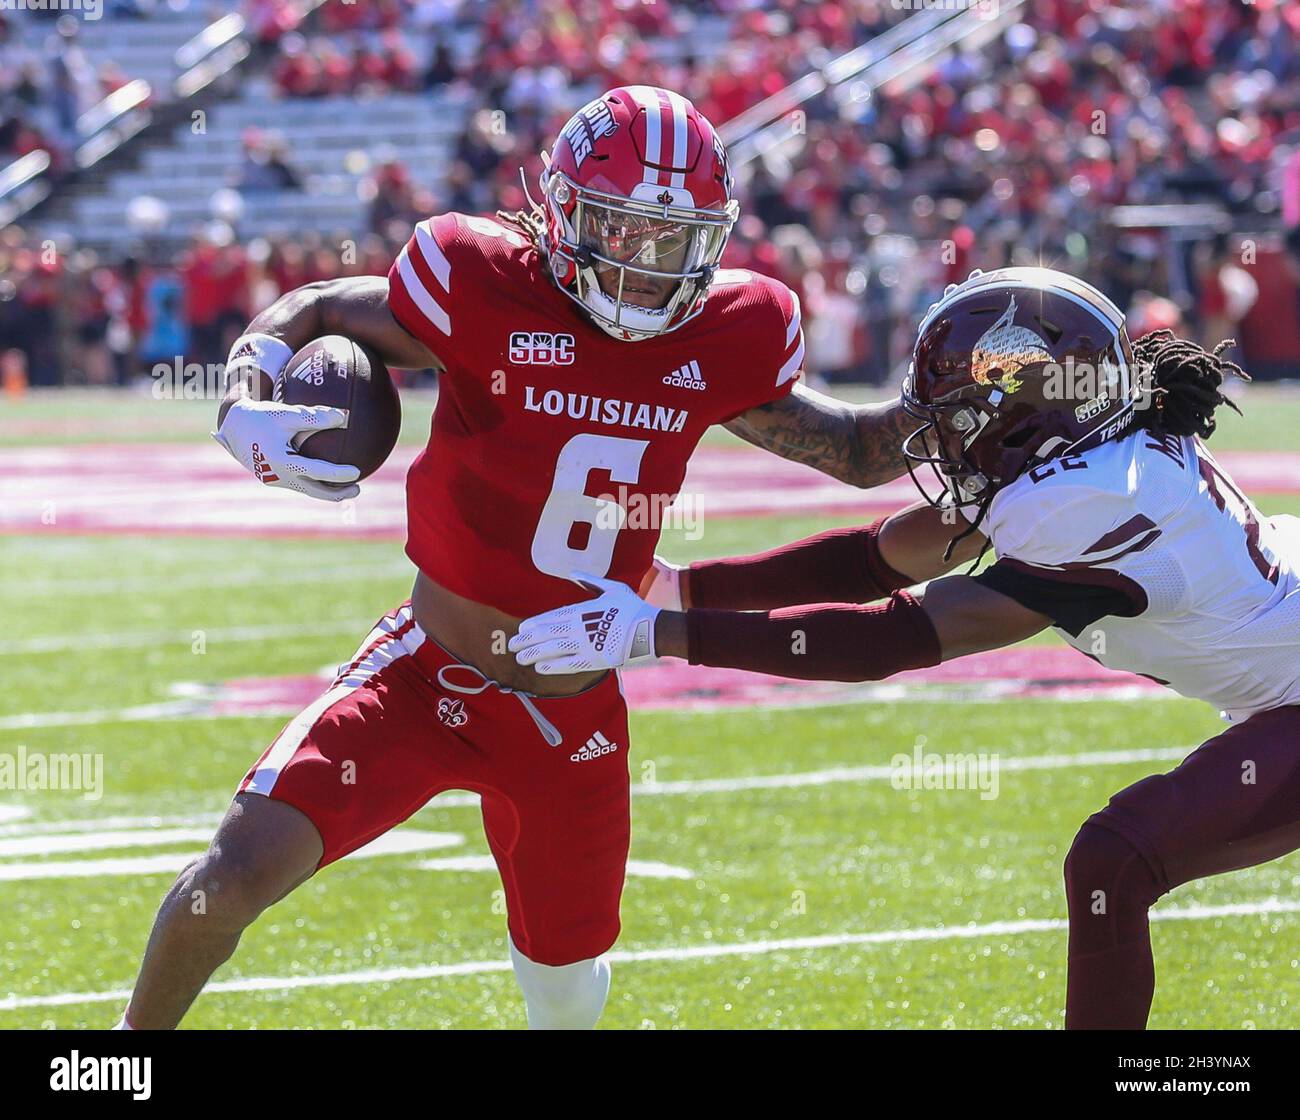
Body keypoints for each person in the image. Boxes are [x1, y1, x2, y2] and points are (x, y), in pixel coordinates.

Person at [116, 86, 918, 1031]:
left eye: (671, 244)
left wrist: (985, 404)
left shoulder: (726, 334)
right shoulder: (482, 279)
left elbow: (862, 452)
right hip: (421, 674)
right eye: (620, 233)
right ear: (565, 213)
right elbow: (325, 304)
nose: (644, 268)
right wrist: (244, 389)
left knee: (566, 978)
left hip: (570, 710)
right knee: (236, 870)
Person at [511, 266, 1300, 1030]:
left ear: (1026, 413)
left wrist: (658, 636)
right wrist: (681, 589)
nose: (937, 439)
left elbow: (893, 637)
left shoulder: (1092, 501)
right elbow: (873, 559)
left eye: (956, 417)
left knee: (1114, 862)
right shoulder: (1091, 452)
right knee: (1111, 860)